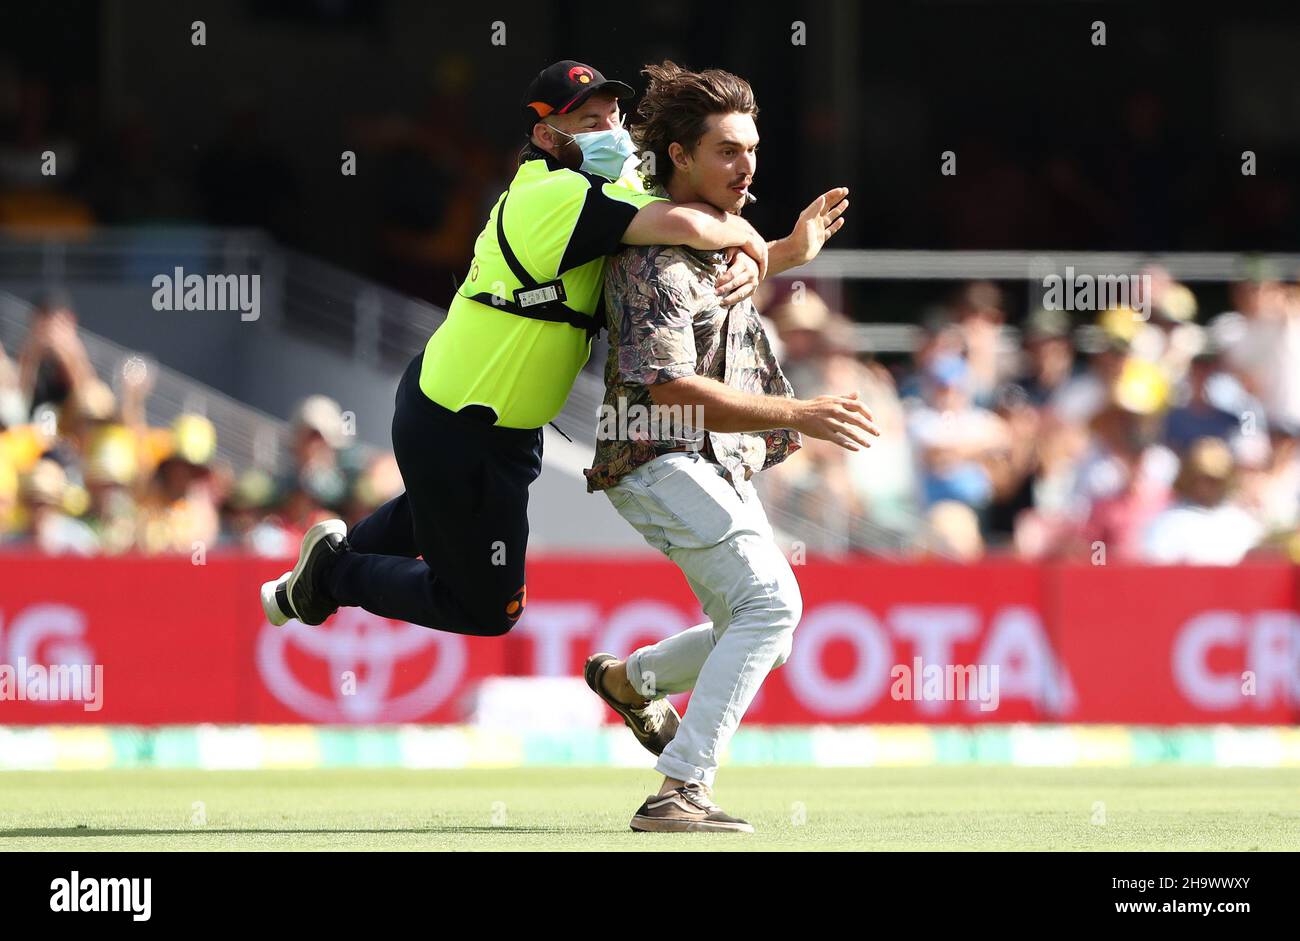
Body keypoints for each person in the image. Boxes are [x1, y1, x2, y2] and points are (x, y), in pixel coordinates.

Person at [260, 60, 838, 637]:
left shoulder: (612, 187)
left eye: (613, 114)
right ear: (544, 135)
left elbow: (698, 270)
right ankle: (334, 578)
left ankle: (310, 581)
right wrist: (750, 239)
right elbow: (697, 228)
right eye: (589, 121)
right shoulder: (548, 192)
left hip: (507, 429)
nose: (611, 130)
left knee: (429, 515)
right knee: (487, 609)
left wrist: (781, 251)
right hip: (457, 415)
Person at [580, 61, 873, 833]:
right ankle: (680, 790)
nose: (746, 166)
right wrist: (800, 411)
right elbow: (669, 387)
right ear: (678, 155)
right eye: (726, 152)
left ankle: (629, 680)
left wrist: (780, 253)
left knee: (761, 633)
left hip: (702, 459)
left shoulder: (704, 236)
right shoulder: (653, 254)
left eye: (751, 148)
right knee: (771, 603)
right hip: (657, 454)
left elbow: (711, 287)